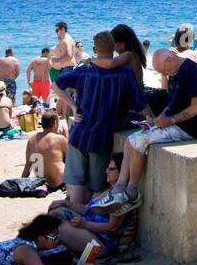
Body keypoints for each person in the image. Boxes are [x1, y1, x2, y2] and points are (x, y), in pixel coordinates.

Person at [94, 47, 197, 212]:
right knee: (130, 140)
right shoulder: (174, 72)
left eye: (164, 71)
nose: (165, 74)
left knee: (137, 141)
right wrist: (156, 121)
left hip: (189, 128)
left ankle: (131, 192)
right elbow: (171, 105)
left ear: (169, 60)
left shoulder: (190, 71)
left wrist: (170, 120)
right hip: (174, 123)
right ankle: (120, 187)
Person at [50, 31, 151, 209]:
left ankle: (73, 214)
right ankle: (84, 216)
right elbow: (140, 103)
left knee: (78, 185)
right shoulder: (124, 73)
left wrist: (73, 106)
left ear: (95, 49)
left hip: (79, 133)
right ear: (113, 48)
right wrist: (153, 119)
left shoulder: (84, 69)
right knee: (96, 187)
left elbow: (56, 85)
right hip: (101, 137)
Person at [49, 154, 128, 260]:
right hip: (90, 231)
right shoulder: (109, 191)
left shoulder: (120, 196)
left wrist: (84, 224)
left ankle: (67, 253)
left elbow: (112, 227)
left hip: (102, 242)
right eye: (107, 168)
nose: (107, 171)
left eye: (112, 169)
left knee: (57, 227)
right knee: (56, 211)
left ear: (122, 172)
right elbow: (87, 210)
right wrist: (66, 204)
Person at [23, 112, 68, 190]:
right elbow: (72, 160)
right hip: (60, 182)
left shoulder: (31, 139)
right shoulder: (60, 138)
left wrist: (22, 182)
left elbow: (28, 165)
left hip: (42, 182)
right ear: (55, 123)